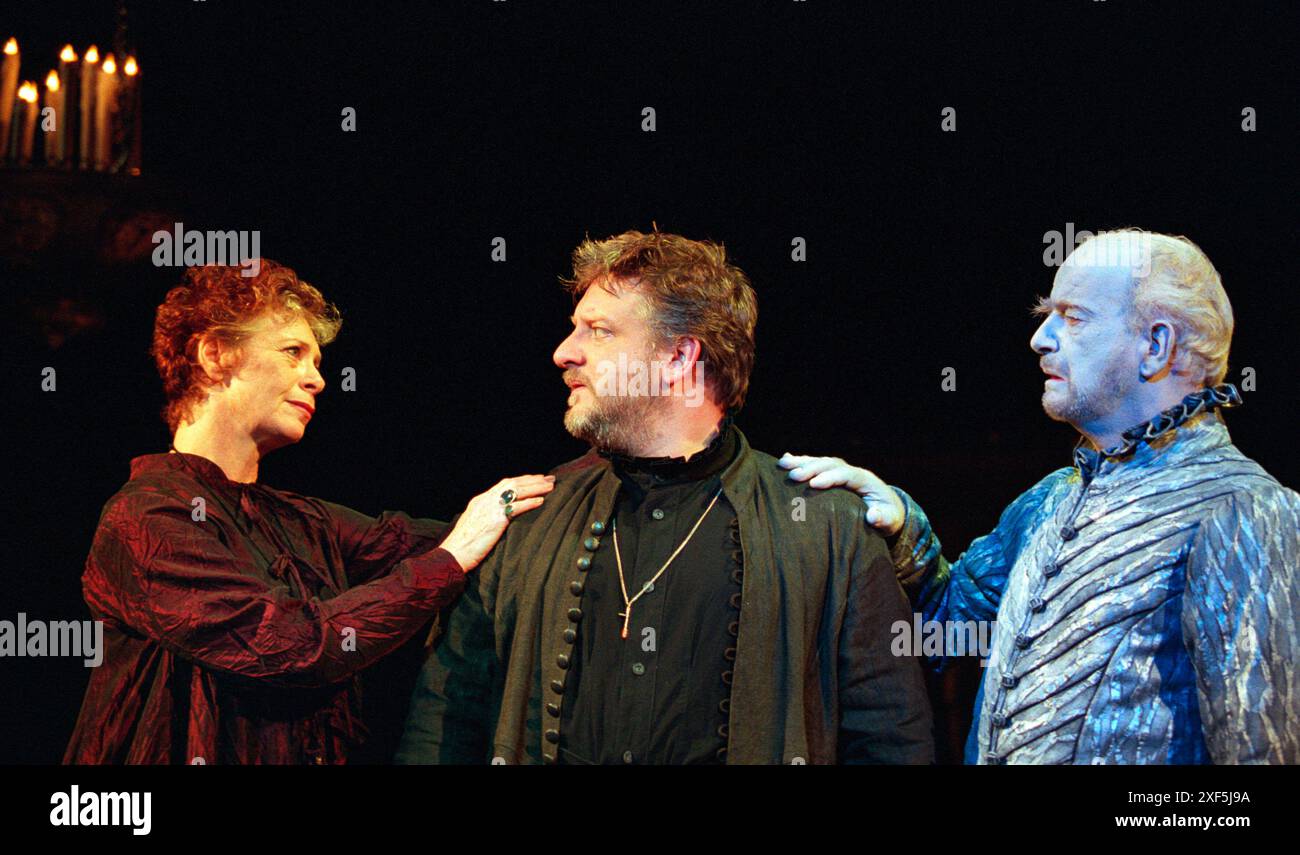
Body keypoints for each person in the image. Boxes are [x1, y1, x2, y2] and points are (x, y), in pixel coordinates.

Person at [396, 229, 932, 765]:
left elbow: (890, 737)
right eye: (573, 329)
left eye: (599, 331)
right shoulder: (530, 518)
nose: (564, 352)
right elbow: (444, 722)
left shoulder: (827, 526)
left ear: (680, 357)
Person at [782, 229, 1300, 764]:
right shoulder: (1050, 501)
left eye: (1073, 317)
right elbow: (948, 632)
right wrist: (895, 526)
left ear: (1157, 345)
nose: (1041, 339)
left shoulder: (1246, 512)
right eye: (1048, 315)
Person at [64, 260, 553, 764]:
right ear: (215, 355)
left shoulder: (296, 519)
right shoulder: (146, 517)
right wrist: (449, 561)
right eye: (293, 353)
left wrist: (583, 483)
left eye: (316, 361)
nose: (316, 379)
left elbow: (448, 537)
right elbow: (289, 646)